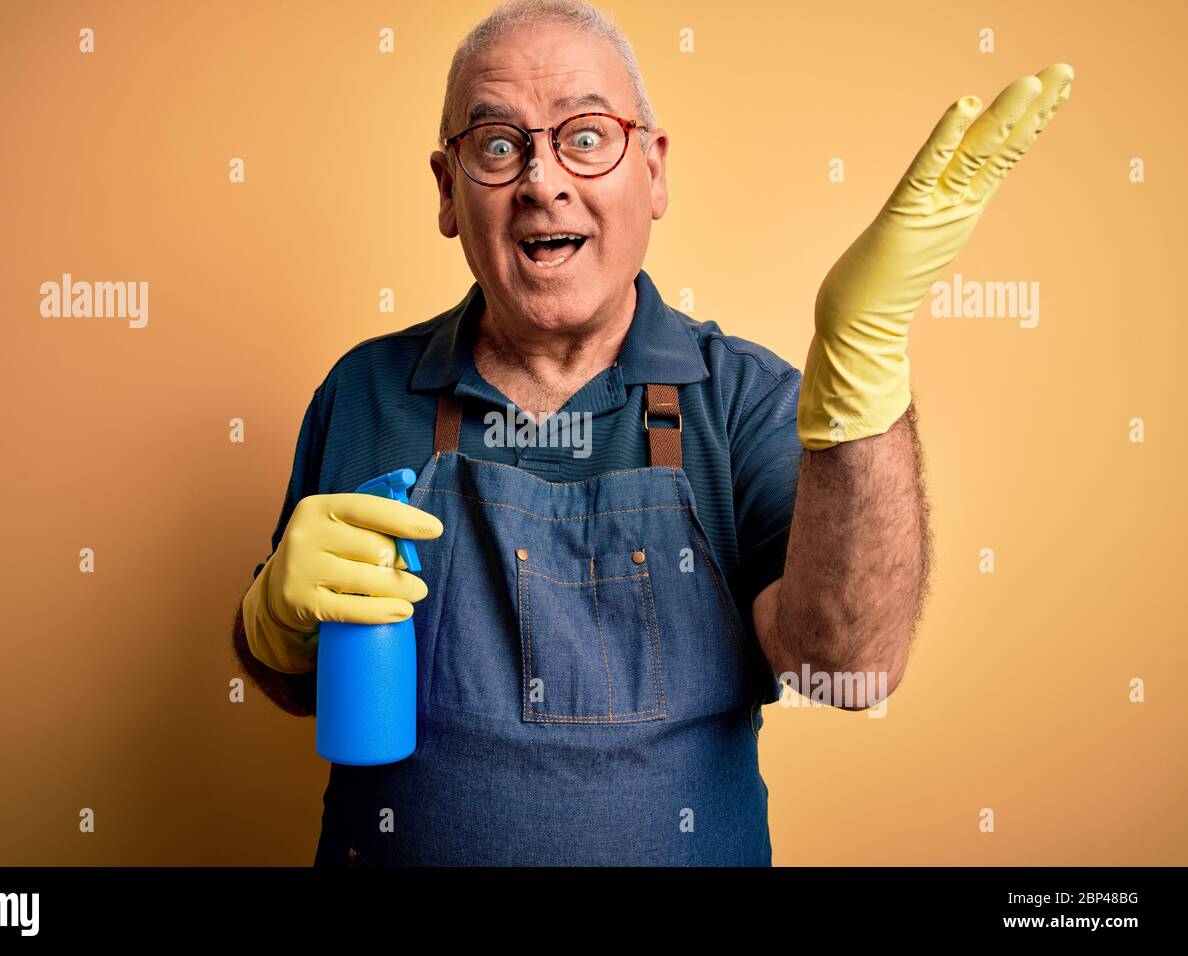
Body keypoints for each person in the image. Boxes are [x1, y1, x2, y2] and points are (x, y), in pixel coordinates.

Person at [232, 0, 1072, 865]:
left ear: (655, 170)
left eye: (586, 136)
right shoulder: (365, 393)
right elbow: (296, 685)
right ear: (447, 191)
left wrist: (865, 362)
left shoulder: (745, 400)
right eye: (497, 146)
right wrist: (267, 627)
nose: (542, 182)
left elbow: (849, 668)